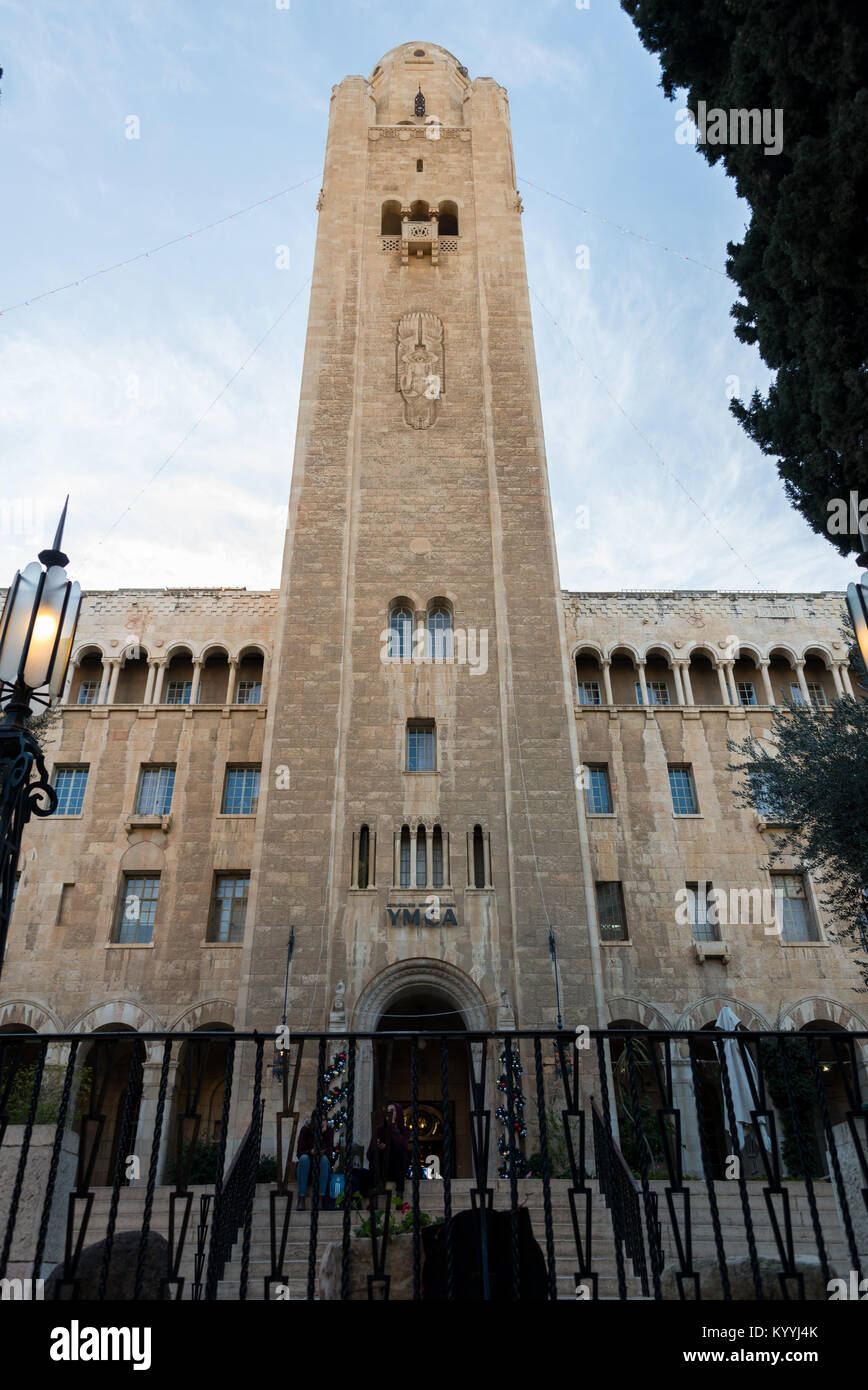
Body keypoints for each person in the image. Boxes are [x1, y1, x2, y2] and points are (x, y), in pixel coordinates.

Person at [367, 1102, 410, 1198]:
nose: (389, 1113)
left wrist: (393, 1126)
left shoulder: (404, 1130)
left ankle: (399, 1194)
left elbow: (402, 1145)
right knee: (374, 1153)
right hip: (381, 1169)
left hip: (396, 1169)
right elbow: (369, 1155)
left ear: (398, 1113)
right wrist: (377, 1147)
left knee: (400, 1151)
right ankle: (373, 1197)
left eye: (392, 1111)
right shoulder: (379, 1129)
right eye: (387, 1111)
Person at [296, 1111, 334, 1210]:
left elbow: (329, 1153)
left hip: (321, 1169)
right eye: (319, 1119)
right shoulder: (305, 1130)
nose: (322, 1122)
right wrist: (311, 1152)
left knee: (325, 1159)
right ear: (313, 1120)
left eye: (324, 1120)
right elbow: (299, 1152)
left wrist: (322, 1135)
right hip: (307, 1169)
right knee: (304, 1158)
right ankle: (301, 1199)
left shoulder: (329, 1131)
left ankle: (320, 1200)